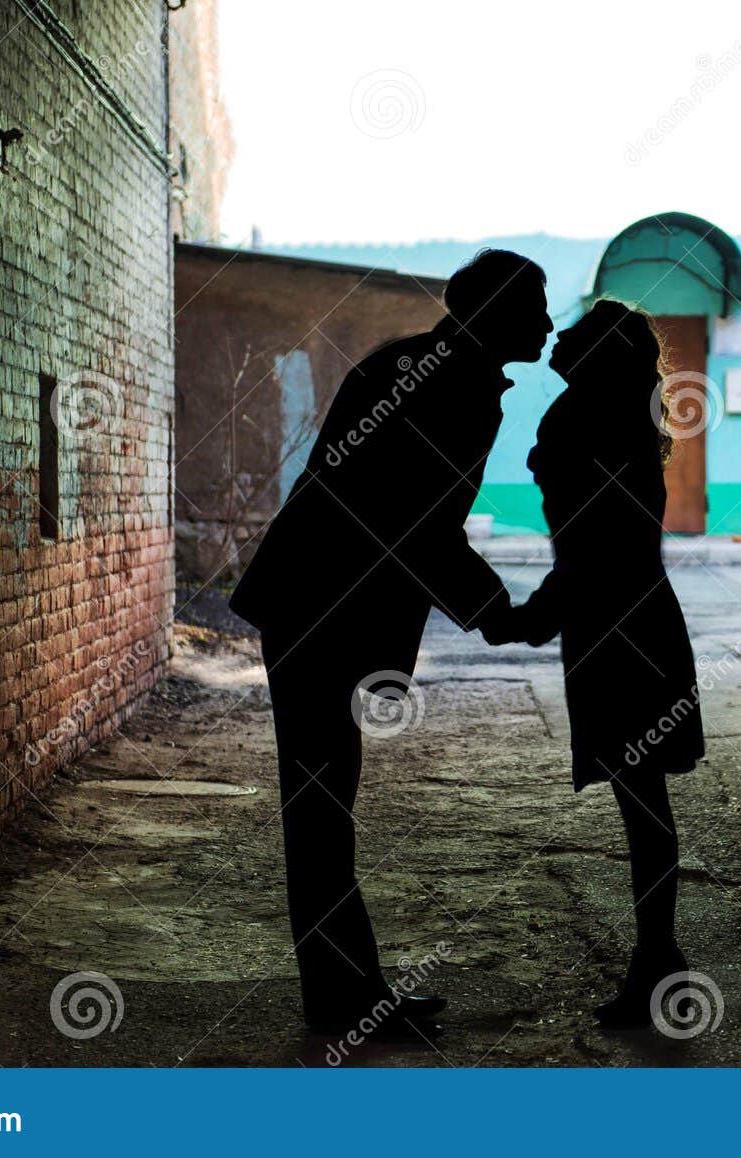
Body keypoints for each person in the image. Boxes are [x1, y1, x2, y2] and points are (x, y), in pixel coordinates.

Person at [229, 249, 551, 1039]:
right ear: (495, 314)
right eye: (534, 308)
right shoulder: (444, 384)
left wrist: (492, 608)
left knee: (323, 807)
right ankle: (347, 1003)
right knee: (320, 807)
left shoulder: (431, 369)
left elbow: (413, 523)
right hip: (322, 607)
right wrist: (497, 612)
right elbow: (415, 523)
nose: (547, 323)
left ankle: (347, 995)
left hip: (319, 602)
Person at [490, 299, 705, 1028]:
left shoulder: (593, 422)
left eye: (579, 330)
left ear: (600, 353)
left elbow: (595, 546)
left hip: (618, 628)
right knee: (643, 798)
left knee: (641, 799)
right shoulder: (608, 418)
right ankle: (659, 958)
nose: (560, 332)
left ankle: (658, 961)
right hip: (629, 620)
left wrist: (531, 617)